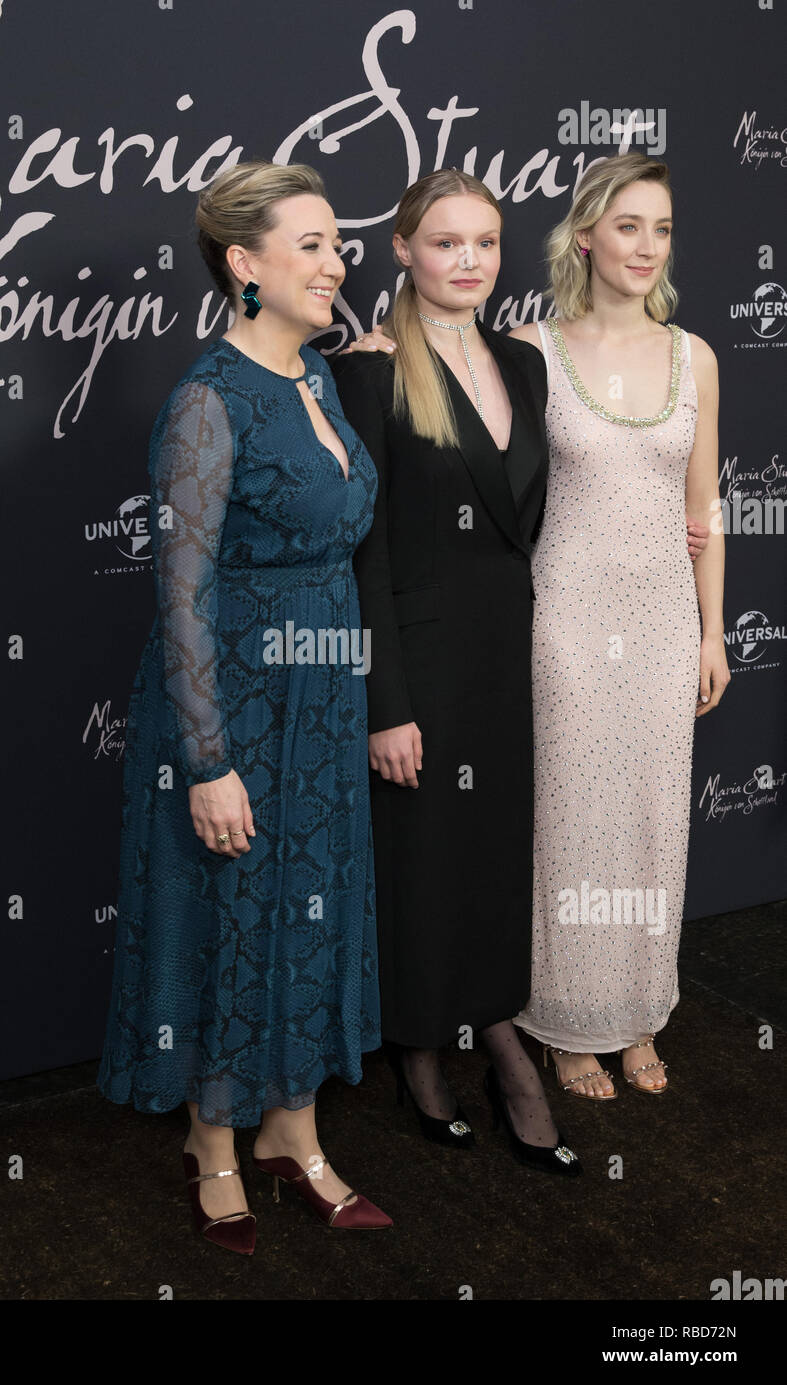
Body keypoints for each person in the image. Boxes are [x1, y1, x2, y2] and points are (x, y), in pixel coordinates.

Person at [97, 161, 392, 1253]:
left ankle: (294, 1128)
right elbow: (179, 595)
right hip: (233, 700)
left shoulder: (319, 380)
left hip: (322, 695)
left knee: (309, 903)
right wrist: (207, 758)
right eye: (310, 244)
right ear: (244, 265)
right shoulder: (207, 401)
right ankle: (214, 1142)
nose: (335, 261)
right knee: (225, 913)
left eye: (337, 242)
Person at [332, 170, 581, 1175]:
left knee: (489, 856)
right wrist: (384, 704)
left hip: (508, 658)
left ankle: (496, 1029)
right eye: (445, 243)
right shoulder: (366, 371)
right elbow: (367, 552)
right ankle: (421, 1045)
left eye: (484, 242)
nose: (469, 261)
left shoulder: (524, 361)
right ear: (402, 249)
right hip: (421, 661)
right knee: (423, 861)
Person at [507, 152, 728, 1098]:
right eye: (628, 225)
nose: (646, 246)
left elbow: (703, 511)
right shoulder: (530, 348)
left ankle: (637, 1010)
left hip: (664, 621)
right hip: (563, 616)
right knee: (570, 820)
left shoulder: (695, 355)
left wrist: (713, 632)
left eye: (662, 228)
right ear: (585, 234)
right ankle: (565, 1022)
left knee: (648, 821)